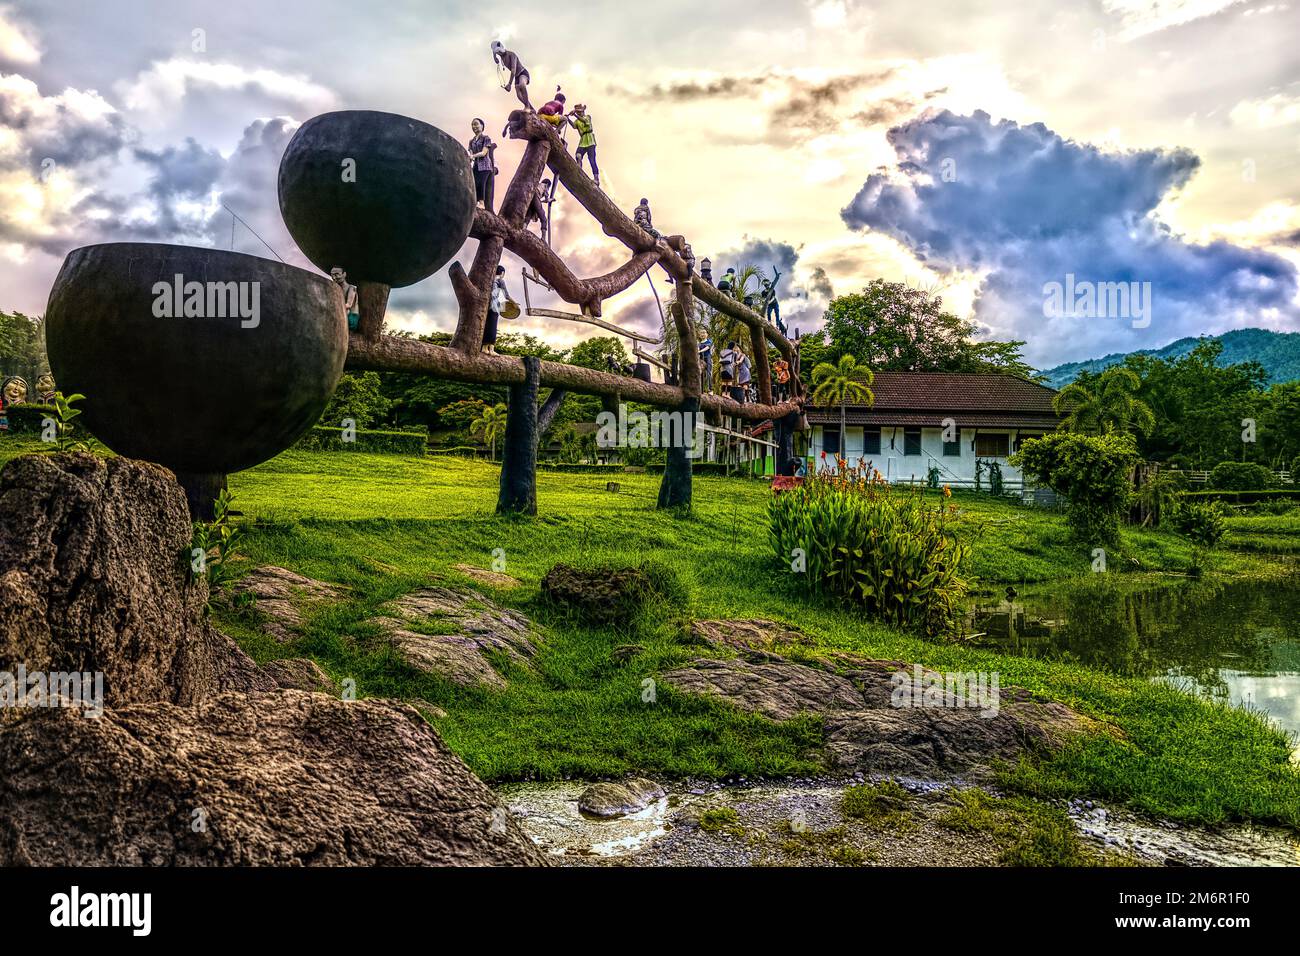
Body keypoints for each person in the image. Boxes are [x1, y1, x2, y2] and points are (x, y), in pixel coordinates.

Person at [492, 41, 533, 127]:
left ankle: (527, 107)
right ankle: (530, 107)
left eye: (499, 51)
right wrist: (495, 58)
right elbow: (494, 53)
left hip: (522, 73)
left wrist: (509, 83)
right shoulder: (498, 54)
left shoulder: (511, 55)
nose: (498, 53)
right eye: (497, 52)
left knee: (522, 85)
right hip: (516, 77)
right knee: (518, 94)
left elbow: (513, 69)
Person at [467, 118, 496, 212]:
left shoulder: (486, 138)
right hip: (476, 165)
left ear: (482, 126)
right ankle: (474, 201)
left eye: (476, 124)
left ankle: (482, 203)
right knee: (473, 182)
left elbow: (484, 153)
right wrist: (470, 158)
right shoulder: (471, 141)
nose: (474, 127)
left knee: (481, 182)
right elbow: (470, 153)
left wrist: (473, 156)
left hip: (485, 165)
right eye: (472, 125)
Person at [567, 103, 599, 186]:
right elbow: (574, 126)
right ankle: (579, 171)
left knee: (591, 159)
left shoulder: (587, 117)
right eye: (578, 112)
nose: (579, 113)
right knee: (578, 155)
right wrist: (568, 119)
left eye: (579, 112)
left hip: (590, 140)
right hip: (583, 140)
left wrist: (575, 115)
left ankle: (596, 178)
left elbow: (585, 121)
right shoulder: (577, 121)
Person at [483, 265, 511, 354]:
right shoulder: (500, 280)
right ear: (502, 273)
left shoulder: (489, 280)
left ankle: (484, 348)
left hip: (486, 306)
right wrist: (514, 303)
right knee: (493, 326)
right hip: (494, 306)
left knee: (487, 325)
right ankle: (491, 349)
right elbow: (506, 295)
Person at [528, 178, 552, 244]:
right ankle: (543, 238)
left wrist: (549, 200)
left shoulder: (538, 185)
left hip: (532, 197)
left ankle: (524, 227)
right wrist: (551, 199)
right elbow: (546, 199)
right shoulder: (545, 186)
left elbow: (540, 201)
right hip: (536, 195)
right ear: (547, 185)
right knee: (544, 218)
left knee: (529, 214)